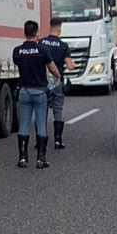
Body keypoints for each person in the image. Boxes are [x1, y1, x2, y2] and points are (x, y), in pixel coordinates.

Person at [13, 20, 62, 169]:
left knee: (24, 124)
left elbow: (18, 64)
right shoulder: (42, 50)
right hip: (40, 92)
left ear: (24, 32)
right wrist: (58, 77)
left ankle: (22, 158)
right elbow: (52, 69)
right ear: (37, 33)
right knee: (41, 124)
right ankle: (41, 159)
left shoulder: (17, 51)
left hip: (24, 91)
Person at [39, 19, 76, 149]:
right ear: (60, 28)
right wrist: (72, 63)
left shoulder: (41, 42)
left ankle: (41, 140)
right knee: (58, 109)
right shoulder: (63, 45)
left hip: (43, 82)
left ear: (50, 27)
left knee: (42, 110)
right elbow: (70, 66)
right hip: (57, 80)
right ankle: (58, 141)